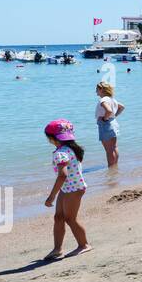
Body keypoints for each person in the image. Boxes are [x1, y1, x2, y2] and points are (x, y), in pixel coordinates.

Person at [42, 119, 92, 262]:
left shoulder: (60, 154)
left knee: (70, 219)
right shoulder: (70, 149)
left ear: (52, 139)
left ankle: (84, 245)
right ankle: (57, 249)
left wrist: (51, 196)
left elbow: (62, 175)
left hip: (73, 189)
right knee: (58, 217)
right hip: (69, 187)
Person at [94, 81, 124, 166]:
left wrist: (104, 118)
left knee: (108, 150)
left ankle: (111, 168)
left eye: (97, 89)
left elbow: (109, 110)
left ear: (101, 90)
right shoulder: (112, 99)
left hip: (105, 124)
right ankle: (115, 166)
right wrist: (114, 116)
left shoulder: (103, 100)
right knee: (114, 147)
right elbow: (122, 107)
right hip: (113, 123)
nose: (96, 91)